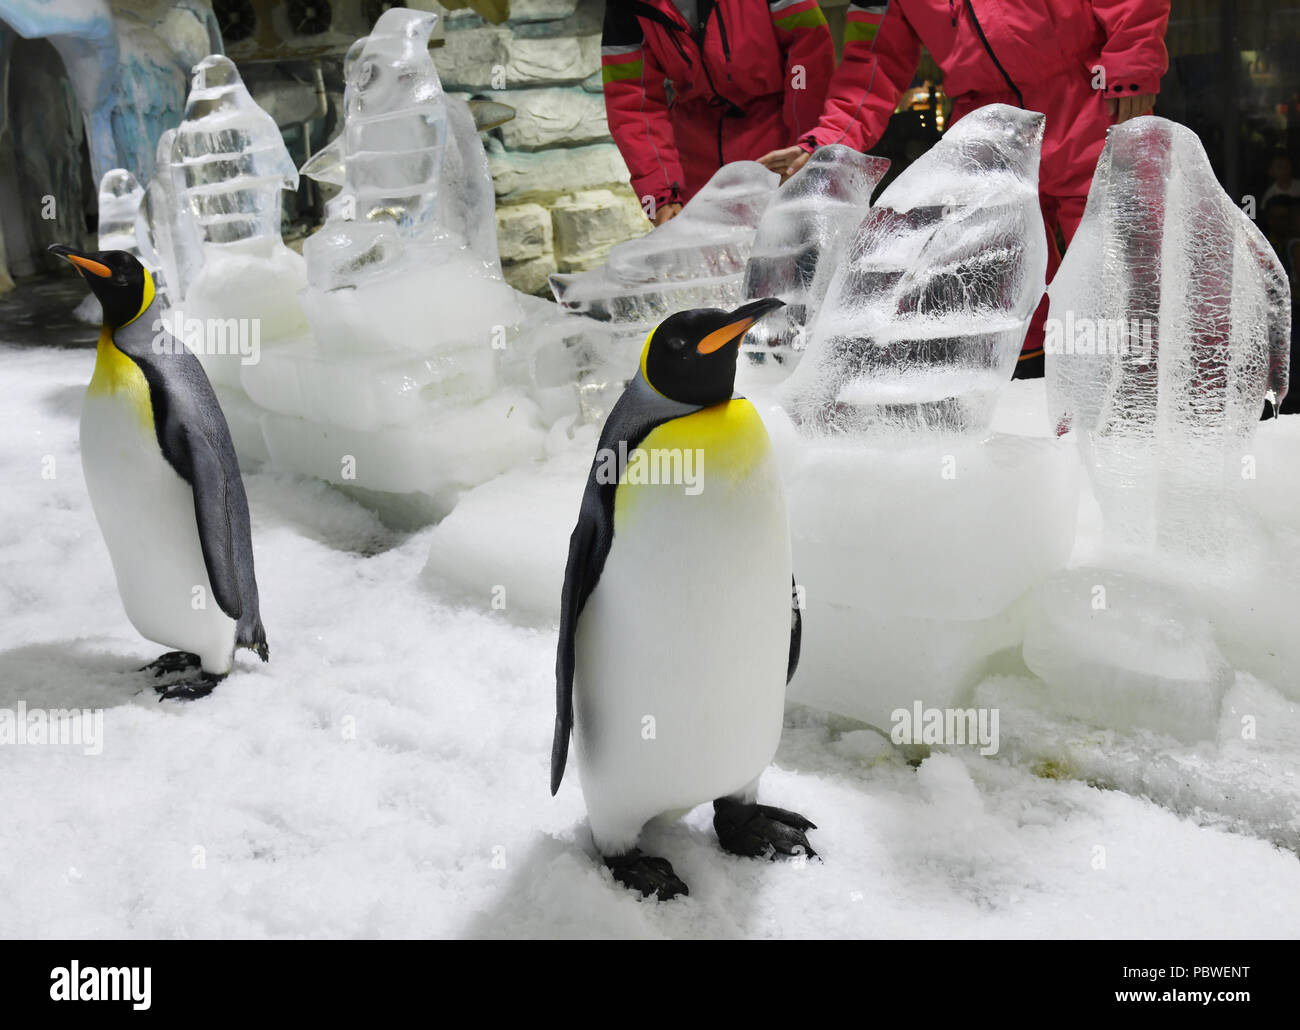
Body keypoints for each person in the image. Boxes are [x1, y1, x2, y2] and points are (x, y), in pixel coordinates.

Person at [757, 0, 1171, 378]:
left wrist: (1133, 62)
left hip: (1088, 97)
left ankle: (1138, 403)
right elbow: (870, 66)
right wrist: (827, 143)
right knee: (1000, 280)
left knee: (1120, 269)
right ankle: (1025, 406)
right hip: (986, 125)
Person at [601, 0, 836, 226]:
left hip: (778, 143)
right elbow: (633, 103)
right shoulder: (625, 5)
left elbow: (807, 62)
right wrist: (659, 196)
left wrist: (806, 145)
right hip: (695, 164)